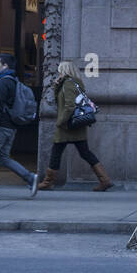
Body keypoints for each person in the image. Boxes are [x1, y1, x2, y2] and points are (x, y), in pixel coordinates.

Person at [39, 61, 112, 191]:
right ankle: (104, 180)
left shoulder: (68, 83)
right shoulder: (71, 83)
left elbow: (69, 106)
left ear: (65, 70)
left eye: (60, 70)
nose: (58, 72)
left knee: (57, 153)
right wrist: (57, 86)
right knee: (84, 153)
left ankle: (48, 182)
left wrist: (61, 121)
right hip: (75, 126)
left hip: (67, 125)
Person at [0, 53, 38, 199]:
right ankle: (29, 178)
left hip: (1, 126)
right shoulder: (14, 81)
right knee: (3, 157)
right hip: (11, 126)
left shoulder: (2, 82)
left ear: (5, 66)